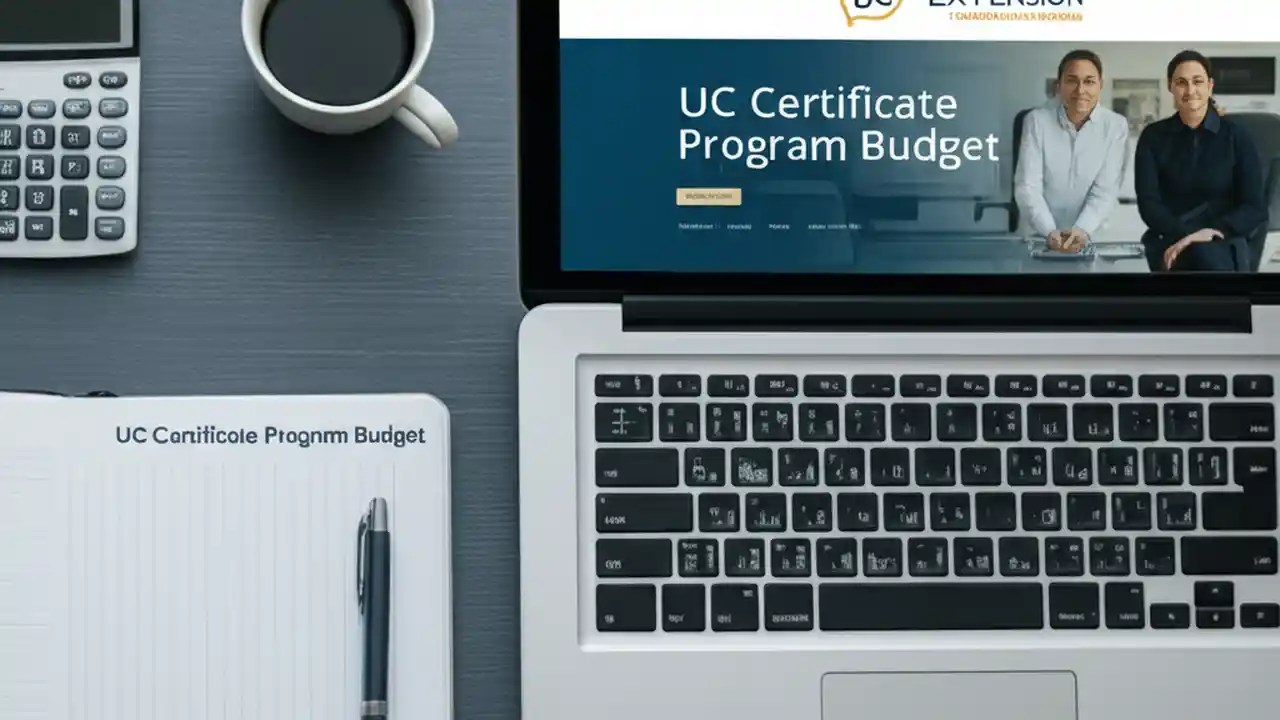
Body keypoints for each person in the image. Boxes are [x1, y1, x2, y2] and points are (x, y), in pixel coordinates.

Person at [1135, 50, 1269, 271]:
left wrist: (1207, 234)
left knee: (1205, 261)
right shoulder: (1153, 137)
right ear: (1170, 87)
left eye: (1197, 81)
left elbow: (1254, 206)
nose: (1190, 90)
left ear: (1210, 85)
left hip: (1222, 238)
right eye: (1181, 82)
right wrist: (1185, 236)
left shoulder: (1237, 136)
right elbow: (1149, 203)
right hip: (1171, 236)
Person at [1015, 49, 1129, 253]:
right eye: (1072, 80)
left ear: (1100, 85)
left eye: (1089, 81)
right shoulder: (1036, 121)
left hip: (1092, 236)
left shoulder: (1115, 126)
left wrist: (1082, 230)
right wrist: (1049, 230)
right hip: (1039, 236)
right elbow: (1028, 186)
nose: (1080, 90)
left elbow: (1105, 191)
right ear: (1059, 85)